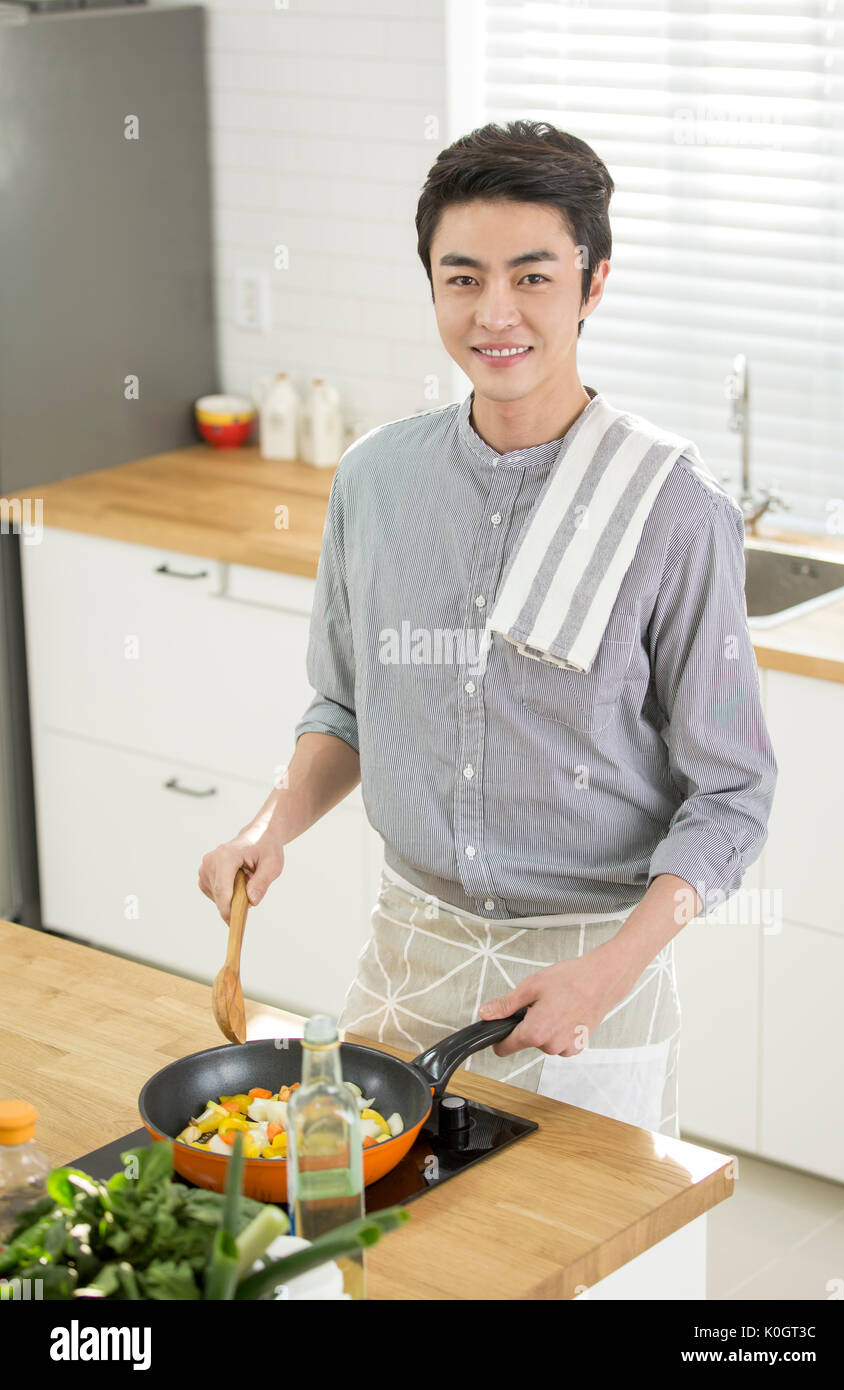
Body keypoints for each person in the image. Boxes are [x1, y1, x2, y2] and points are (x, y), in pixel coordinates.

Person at [199, 119, 777, 1140]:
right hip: (405, 953)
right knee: (378, 1261)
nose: (494, 312)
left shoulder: (674, 509)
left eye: (532, 276)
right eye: (461, 277)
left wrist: (603, 975)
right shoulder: (376, 480)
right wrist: (268, 824)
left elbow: (730, 800)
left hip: (590, 979)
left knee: (584, 1283)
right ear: (429, 282)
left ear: (592, 284)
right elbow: (343, 705)